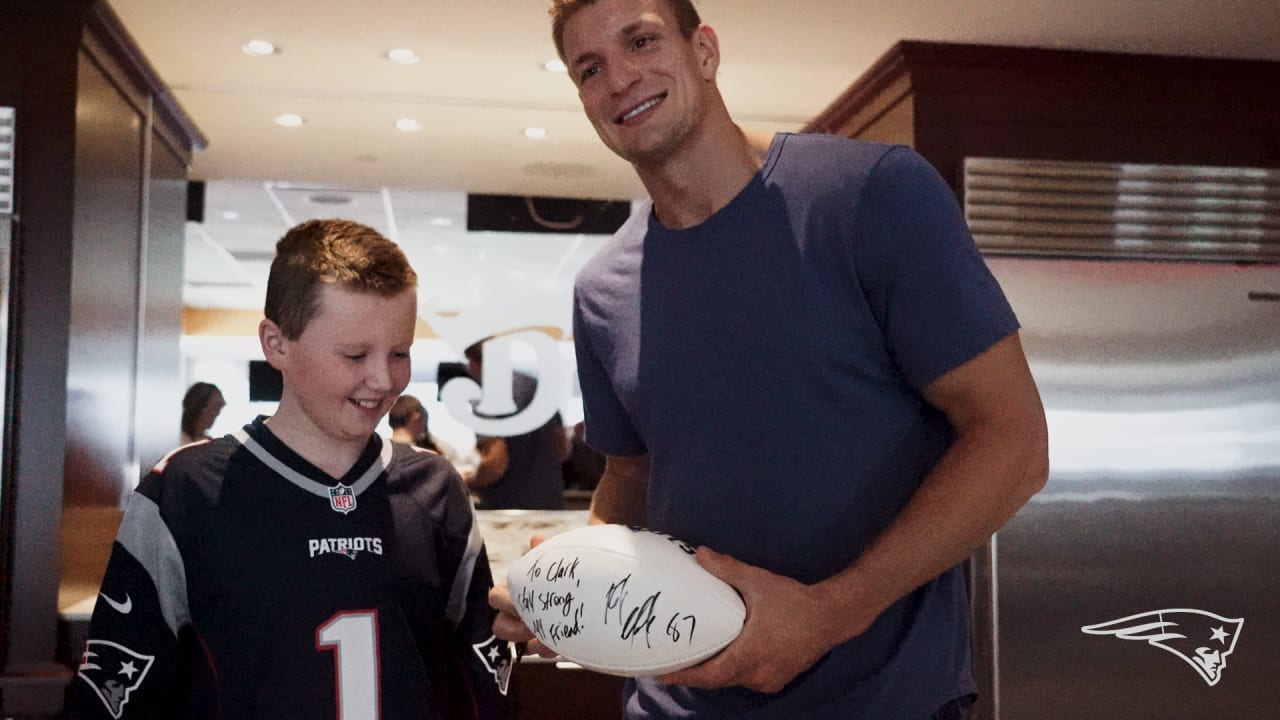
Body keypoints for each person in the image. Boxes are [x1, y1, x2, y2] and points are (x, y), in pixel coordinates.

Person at [490, 2, 1050, 719]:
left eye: (641, 41)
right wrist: (570, 594)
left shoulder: (872, 196)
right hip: (674, 705)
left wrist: (829, 612)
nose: (620, 78)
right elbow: (632, 485)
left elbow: (1014, 440)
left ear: (705, 50)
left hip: (883, 702)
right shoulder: (602, 289)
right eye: (589, 69)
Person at [67, 219, 514, 719]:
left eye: (400, 353)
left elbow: (482, 679)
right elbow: (115, 694)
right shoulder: (184, 491)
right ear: (276, 344)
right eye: (355, 354)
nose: (384, 379)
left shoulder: (434, 489)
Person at [462, 339, 571, 510]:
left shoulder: (489, 397)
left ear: (475, 362)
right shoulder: (537, 388)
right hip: (550, 503)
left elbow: (495, 464)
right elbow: (563, 449)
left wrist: (468, 481)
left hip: (508, 508)